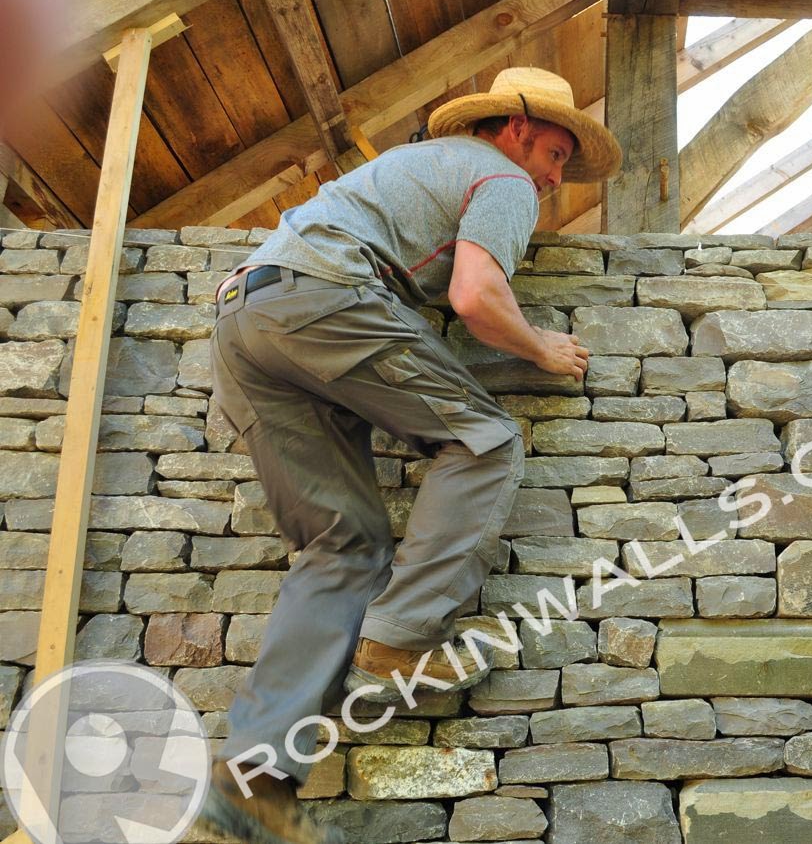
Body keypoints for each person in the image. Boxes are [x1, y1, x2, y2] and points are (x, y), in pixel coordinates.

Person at [199, 67, 621, 844]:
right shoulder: (500, 175)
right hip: (321, 301)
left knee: (341, 546)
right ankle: (399, 639)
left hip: (241, 322)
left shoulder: (408, 173)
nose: (557, 179)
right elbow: (475, 296)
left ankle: (251, 782)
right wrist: (544, 348)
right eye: (558, 155)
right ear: (517, 127)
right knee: (485, 440)